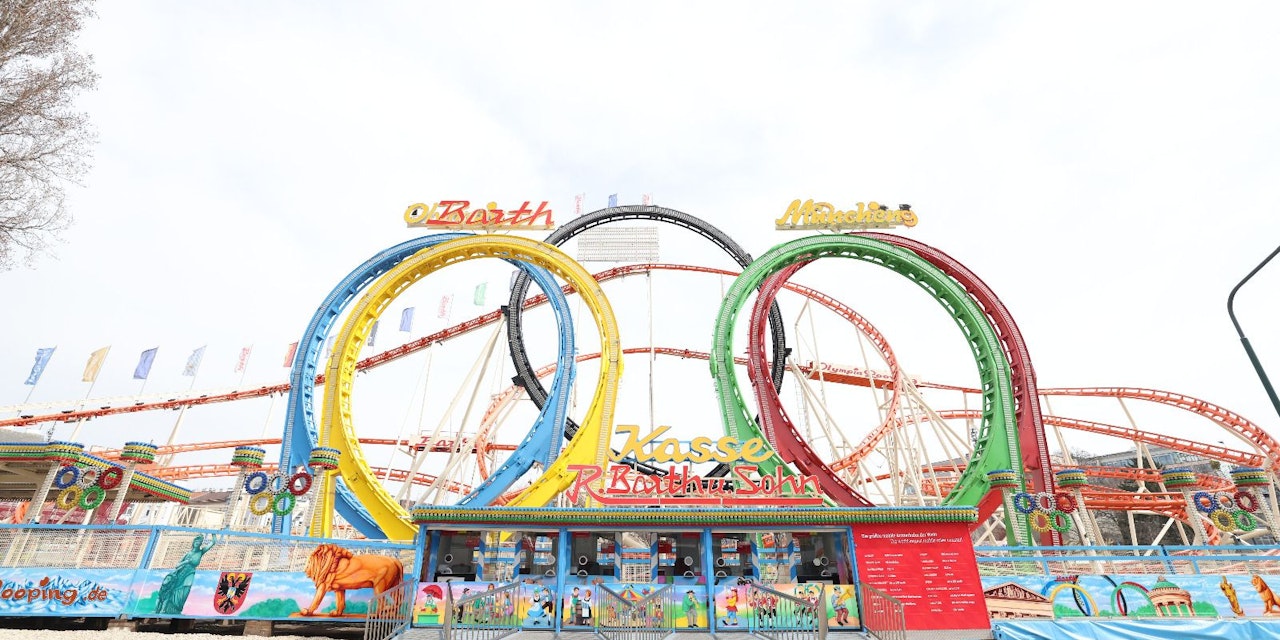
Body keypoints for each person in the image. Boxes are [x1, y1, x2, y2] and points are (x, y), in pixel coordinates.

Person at [155, 534, 217, 614]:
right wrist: (186, 561)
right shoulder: (188, 553)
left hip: (190, 572)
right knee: (174, 590)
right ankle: (167, 609)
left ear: (201, 544)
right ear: (193, 543)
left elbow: (213, 542)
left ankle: (178, 608)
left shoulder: (201, 552)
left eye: (199, 542)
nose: (197, 544)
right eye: (196, 542)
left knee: (187, 588)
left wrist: (214, 534)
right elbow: (177, 565)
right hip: (182, 572)